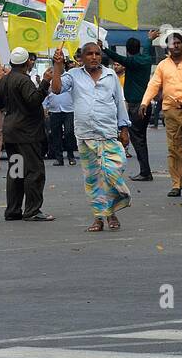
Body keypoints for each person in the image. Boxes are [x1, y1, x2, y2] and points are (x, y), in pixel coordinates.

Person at [50, 42, 132, 232]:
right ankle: (100, 217)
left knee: (112, 172)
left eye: (97, 53)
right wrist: (58, 65)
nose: (94, 57)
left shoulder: (111, 76)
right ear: (82, 57)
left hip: (109, 134)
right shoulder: (73, 76)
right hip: (86, 135)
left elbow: (119, 103)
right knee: (93, 180)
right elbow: (56, 89)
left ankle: (112, 209)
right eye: (89, 54)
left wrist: (124, 128)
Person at [137, 31, 182, 198]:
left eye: (178, 43)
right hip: (171, 110)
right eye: (172, 44)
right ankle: (176, 184)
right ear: (167, 47)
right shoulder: (162, 65)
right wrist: (145, 102)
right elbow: (154, 85)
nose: (175, 46)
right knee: (174, 149)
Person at [0, 48, 54, 221]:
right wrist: (45, 83)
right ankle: (32, 210)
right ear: (28, 62)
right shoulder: (23, 80)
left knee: (16, 171)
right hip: (27, 134)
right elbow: (33, 101)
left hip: (11, 131)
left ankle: (13, 210)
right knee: (34, 171)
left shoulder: (4, 80)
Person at [105, 36, 156, 180]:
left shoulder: (131, 62)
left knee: (138, 139)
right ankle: (145, 170)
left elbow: (116, 57)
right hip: (146, 103)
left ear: (127, 50)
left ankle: (145, 172)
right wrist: (149, 39)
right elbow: (146, 49)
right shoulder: (145, 59)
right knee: (141, 138)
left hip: (136, 105)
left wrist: (103, 48)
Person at [43, 54, 77, 165]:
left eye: (60, 64)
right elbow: (46, 94)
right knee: (55, 134)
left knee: (69, 133)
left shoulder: (70, 77)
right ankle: (59, 158)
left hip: (69, 109)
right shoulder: (50, 77)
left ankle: (71, 156)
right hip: (54, 110)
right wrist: (45, 107)